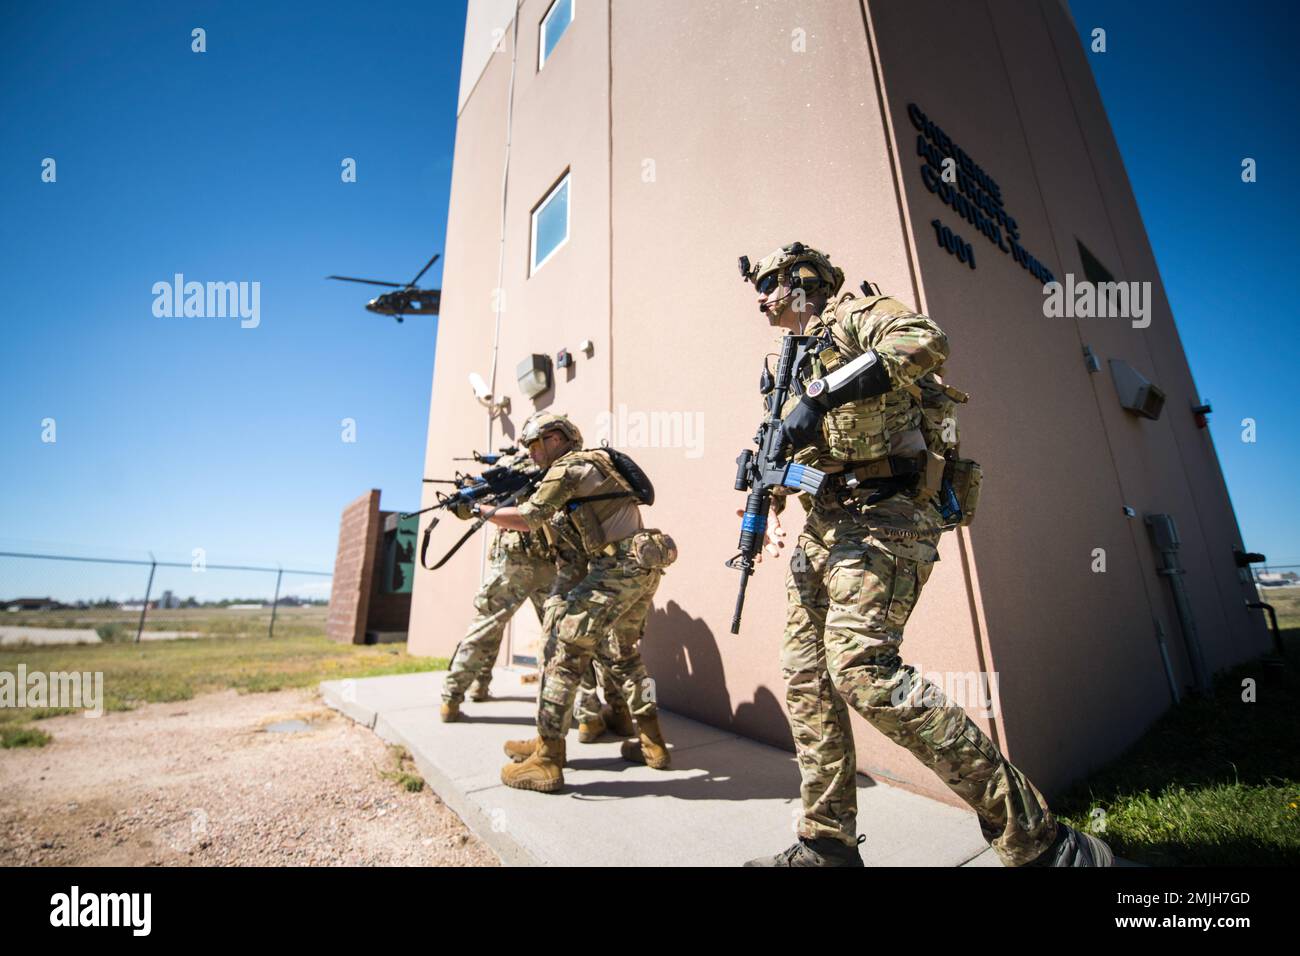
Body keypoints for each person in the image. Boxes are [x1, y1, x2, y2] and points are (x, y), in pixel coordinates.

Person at [737, 241, 1113, 867]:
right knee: (807, 678)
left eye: (772, 282)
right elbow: (799, 455)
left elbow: (925, 340)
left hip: (887, 516)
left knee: (863, 670)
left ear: (806, 281)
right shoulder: (783, 368)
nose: (761, 295)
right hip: (823, 527)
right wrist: (769, 498)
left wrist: (820, 395)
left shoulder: (857, 317)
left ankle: (1038, 836)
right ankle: (825, 845)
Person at [479, 412, 677, 793]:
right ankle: (653, 744)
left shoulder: (567, 468)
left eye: (537, 444)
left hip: (615, 570)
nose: (533, 453)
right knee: (626, 656)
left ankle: (548, 759)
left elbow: (529, 517)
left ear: (557, 438)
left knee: (560, 657)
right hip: (642, 567)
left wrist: (485, 513)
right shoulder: (599, 464)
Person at [439, 431, 631, 740]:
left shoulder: (543, 469)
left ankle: (451, 698)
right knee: (566, 639)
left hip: (517, 563)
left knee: (489, 626)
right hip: (551, 563)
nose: (533, 452)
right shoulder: (546, 468)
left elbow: (510, 506)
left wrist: (472, 502)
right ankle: (588, 715)